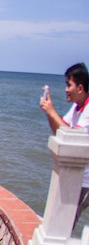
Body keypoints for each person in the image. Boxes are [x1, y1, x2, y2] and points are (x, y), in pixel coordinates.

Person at [40, 61, 89, 222]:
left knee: (65, 223)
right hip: (75, 176)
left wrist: (52, 112)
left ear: (80, 88)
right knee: (60, 220)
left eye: (69, 85)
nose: (66, 90)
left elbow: (72, 138)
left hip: (84, 180)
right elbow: (60, 131)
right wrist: (49, 112)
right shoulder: (77, 108)